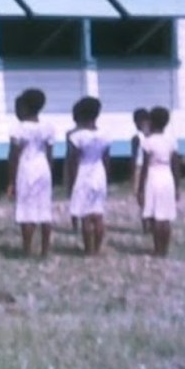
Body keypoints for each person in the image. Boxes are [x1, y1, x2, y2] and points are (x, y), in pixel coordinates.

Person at [10, 88, 56, 258]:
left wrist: (11, 180)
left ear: (25, 107)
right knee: (44, 209)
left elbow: (14, 155)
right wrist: (49, 171)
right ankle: (45, 250)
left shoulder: (19, 129)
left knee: (26, 211)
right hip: (43, 167)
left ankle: (27, 249)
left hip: (26, 167)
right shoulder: (48, 127)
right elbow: (50, 153)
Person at [64, 96, 110, 256]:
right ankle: (97, 248)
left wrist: (71, 182)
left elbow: (73, 160)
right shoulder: (105, 134)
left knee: (86, 215)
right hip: (99, 172)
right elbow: (106, 158)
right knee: (98, 214)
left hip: (83, 173)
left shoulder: (76, 136)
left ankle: (88, 249)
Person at [136, 105, 181, 257]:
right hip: (167, 177)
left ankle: (157, 248)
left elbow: (145, 167)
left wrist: (140, 188)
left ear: (151, 122)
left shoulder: (147, 142)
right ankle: (165, 249)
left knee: (155, 216)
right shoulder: (171, 141)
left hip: (153, 177)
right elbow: (175, 165)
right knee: (165, 216)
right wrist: (177, 186)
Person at [129, 106, 152, 234]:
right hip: (150, 168)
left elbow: (133, 157)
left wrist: (132, 173)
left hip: (140, 167)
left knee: (141, 196)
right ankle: (149, 223)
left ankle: (146, 224)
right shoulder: (152, 136)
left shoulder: (137, 138)